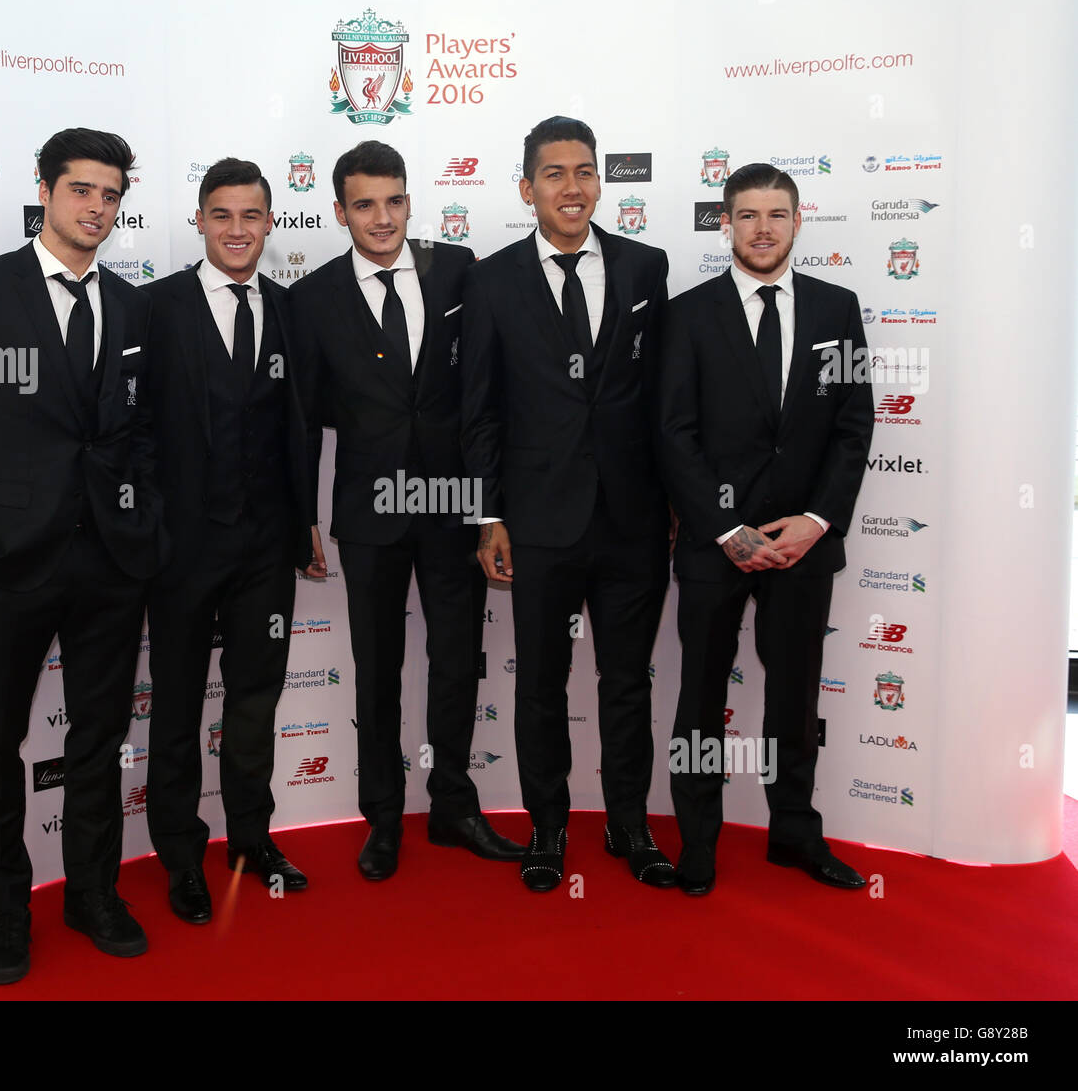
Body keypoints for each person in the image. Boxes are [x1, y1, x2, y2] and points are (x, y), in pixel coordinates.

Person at [0, 128, 163, 983]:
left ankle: (93, 894)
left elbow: (144, 439)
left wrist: (144, 535)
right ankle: (6, 909)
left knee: (100, 739)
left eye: (111, 195)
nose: (97, 208)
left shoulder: (132, 308)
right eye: (82, 190)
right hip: (9, 565)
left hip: (110, 567)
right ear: (45, 190)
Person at [290, 141, 522, 880]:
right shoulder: (311, 298)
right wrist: (306, 514)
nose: (381, 217)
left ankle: (453, 806)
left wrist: (492, 507)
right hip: (369, 510)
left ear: (409, 201)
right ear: (339, 211)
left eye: (393, 200)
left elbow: (490, 393)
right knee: (376, 670)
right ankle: (382, 818)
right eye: (364, 204)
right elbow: (302, 416)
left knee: (457, 662)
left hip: (454, 505)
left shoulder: (458, 269)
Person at [461, 117, 675, 893]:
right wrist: (488, 515)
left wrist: (677, 503)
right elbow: (479, 409)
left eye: (585, 171)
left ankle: (630, 826)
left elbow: (661, 401)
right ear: (527, 188)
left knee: (628, 683)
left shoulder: (647, 266)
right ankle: (547, 826)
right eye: (554, 173)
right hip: (539, 520)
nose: (573, 186)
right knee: (539, 684)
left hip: (634, 520)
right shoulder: (490, 280)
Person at [657, 162, 874, 895]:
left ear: (797, 220)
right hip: (716, 549)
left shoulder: (837, 310)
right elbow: (673, 433)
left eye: (776, 215)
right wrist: (727, 531)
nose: (762, 229)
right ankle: (699, 842)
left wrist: (815, 522)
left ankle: (794, 834)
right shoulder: (687, 314)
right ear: (726, 223)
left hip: (804, 550)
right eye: (747, 215)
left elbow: (852, 427)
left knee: (795, 699)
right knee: (699, 700)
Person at [141, 159, 324, 922]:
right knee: (178, 708)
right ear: (200, 221)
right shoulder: (152, 309)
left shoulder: (289, 311)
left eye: (251, 215)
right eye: (222, 215)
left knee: (253, 704)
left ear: (271, 222)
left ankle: (251, 842)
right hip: (178, 552)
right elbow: (129, 433)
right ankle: (181, 857)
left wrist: (303, 520)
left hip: (264, 551)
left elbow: (297, 431)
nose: (238, 229)